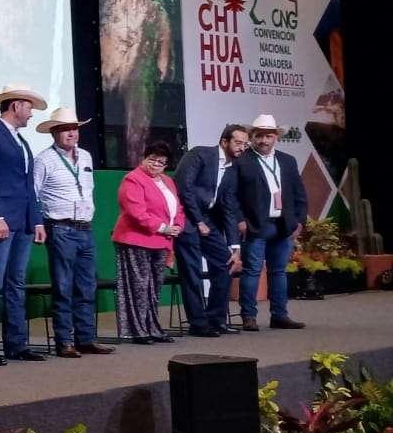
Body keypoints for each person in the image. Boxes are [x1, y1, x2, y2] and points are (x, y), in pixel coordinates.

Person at [0, 84, 48, 364]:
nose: (31, 114)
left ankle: (17, 344)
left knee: (16, 283)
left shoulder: (21, 141)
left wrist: (36, 220)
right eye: (29, 107)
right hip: (2, 222)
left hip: (23, 223)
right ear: (15, 106)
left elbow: (28, 186)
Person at [31, 107, 113, 358]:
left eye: (74, 128)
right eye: (65, 129)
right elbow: (33, 194)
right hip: (61, 228)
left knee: (87, 287)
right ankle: (64, 340)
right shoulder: (44, 159)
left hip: (85, 228)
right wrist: (38, 223)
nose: (71, 133)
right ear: (54, 132)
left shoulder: (86, 156)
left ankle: (86, 338)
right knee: (63, 287)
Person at [234, 114, 309, 330]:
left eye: (268, 136)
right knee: (252, 271)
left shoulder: (288, 160)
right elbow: (231, 195)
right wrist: (240, 220)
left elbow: (299, 194)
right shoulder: (242, 161)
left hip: (284, 225)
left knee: (279, 272)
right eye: (259, 136)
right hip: (255, 226)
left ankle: (279, 315)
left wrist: (300, 222)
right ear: (252, 137)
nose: (264, 141)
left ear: (276, 137)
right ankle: (249, 317)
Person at [174, 124, 247, 338]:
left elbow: (228, 206)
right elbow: (184, 189)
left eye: (245, 144)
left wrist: (235, 247)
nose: (242, 147)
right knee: (192, 272)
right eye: (238, 142)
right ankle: (198, 323)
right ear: (224, 142)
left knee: (226, 263)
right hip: (186, 220)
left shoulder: (233, 167)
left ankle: (216, 320)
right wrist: (198, 221)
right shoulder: (200, 155)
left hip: (207, 221)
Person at [110, 142, 183, 344]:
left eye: (161, 162)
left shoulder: (168, 181)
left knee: (154, 287)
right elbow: (137, 213)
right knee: (139, 287)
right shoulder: (133, 179)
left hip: (161, 242)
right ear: (144, 158)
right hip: (136, 240)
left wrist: (178, 225)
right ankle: (138, 330)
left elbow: (178, 208)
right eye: (152, 159)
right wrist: (163, 228)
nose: (155, 164)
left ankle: (153, 328)